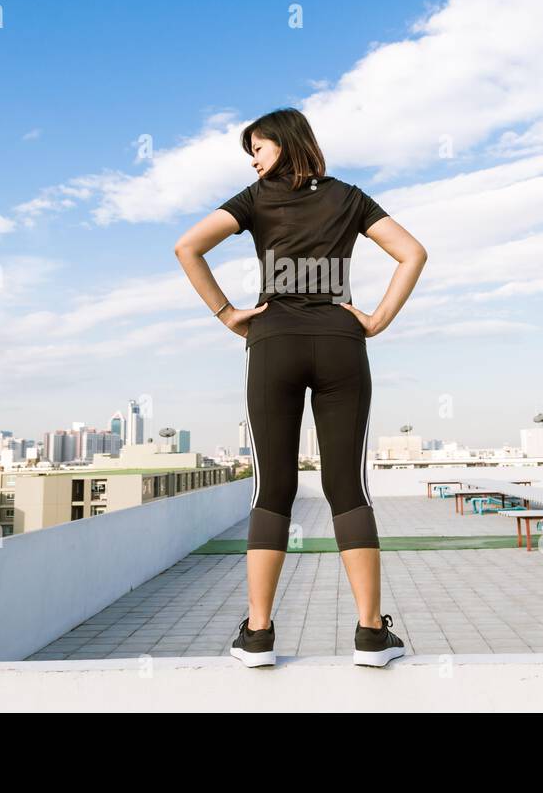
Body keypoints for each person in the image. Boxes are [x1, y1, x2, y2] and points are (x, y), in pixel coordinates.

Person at [173, 107, 427, 667]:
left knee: (274, 487)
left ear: (285, 145)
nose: (255, 159)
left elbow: (187, 247)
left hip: (273, 343)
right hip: (342, 342)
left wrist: (227, 313)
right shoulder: (349, 197)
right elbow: (413, 253)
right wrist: (379, 317)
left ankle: (258, 637)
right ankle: (370, 637)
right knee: (347, 487)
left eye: (259, 148)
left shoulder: (254, 198)